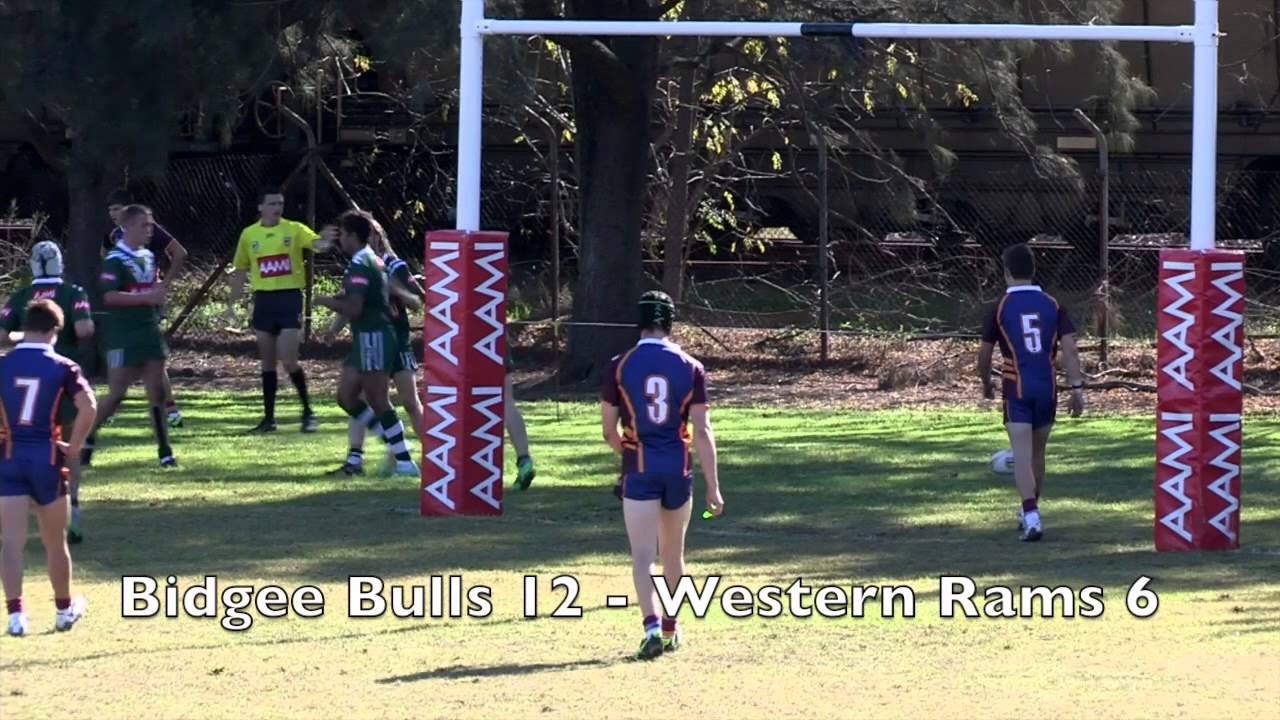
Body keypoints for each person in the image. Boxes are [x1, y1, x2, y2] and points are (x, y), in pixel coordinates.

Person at [601, 290, 722, 660]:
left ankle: (651, 627)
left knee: (642, 555)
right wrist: (713, 489)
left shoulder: (619, 365)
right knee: (674, 554)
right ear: (670, 322)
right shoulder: (691, 366)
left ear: (639, 322)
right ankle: (672, 627)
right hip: (678, 468)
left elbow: (608, 430)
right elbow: (701, 430)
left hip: (640, 467)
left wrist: (628, 454)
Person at [977, 243, 1085, 543]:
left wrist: (986, 383)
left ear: (1006, 272)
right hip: (1047, 387)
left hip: (1017, 388)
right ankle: (1030, 510)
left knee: (1022, 456)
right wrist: (1077, 390)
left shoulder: (999, 307)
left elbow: (984, 356)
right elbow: (1071, 351)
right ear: (1033, 270)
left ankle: (1032, 516)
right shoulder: (1053, 304)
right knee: (1038, 454)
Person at [0, 300, 95, 636]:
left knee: (11, 542)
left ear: (25, 327)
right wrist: (75, 444)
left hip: (9, 458)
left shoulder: (3, 364)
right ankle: (63, 609)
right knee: (56, 542)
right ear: (55, 330)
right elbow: (88, 406)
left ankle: (15, 616)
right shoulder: (63, 366)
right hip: (47, 458)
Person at [0, 242, 95, 543]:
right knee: (66, 444)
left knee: (17, 440)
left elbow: (2, 334)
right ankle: (72, 510)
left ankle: (19, 509)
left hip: (25, 374)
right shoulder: (73, 292)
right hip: (60, 375)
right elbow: (84, 330)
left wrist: (21, 336)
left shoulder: (21, 296)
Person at [315, 211, 420, 478]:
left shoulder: (363, 264)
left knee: (378, 400)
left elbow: (355, 306)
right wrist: (335, 324)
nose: (340, 241)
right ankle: (396, 445)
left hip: (375, 336)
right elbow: (354, 298)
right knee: (346, 397)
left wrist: (324, 301)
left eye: (343, 234)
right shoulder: (366, 261)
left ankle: (405, 461)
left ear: (352, 236)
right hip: (367, 337)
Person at [223, 187, 329, 434]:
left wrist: (325, 239)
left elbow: (319, 245)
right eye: (272, 203)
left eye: (280, 203)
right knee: (268, 362)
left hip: (289, 299)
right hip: (264, 302)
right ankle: (269, 420)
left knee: (289, 359)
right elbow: (240, 270)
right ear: (260, 207)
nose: (277, 208)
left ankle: (307, 412)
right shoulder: (249, 235)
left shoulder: (293, 229)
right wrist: (231, 304)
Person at [92, 204, 177, 468]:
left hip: (148, 330)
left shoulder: (149, 257)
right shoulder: (115, 260)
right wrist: (146, 297)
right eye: (144, 225)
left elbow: (151, 290)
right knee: (117, 394)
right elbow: (109, 296)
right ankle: (87, 437)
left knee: (156, 391)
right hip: (122, 334)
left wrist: (156, 297)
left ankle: (165, 450)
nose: (149, 230)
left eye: (151, 225)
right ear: (127, 228)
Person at [105, 189, 188, 428]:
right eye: (110, 209)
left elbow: (179, 252)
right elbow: (107, 262)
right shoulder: (113, 236)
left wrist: (163, 284)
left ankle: (170, 409)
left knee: (153, 357)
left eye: (118, 209)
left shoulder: (149, 230)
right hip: (124, 307)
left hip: (146, 306)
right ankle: (111, 408)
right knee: (122, 357)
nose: (114, 214)